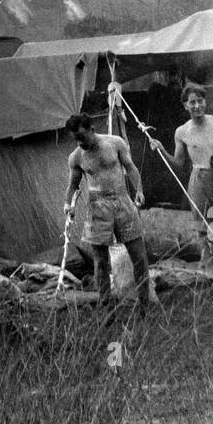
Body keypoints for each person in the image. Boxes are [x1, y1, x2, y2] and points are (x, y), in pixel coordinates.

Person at [149, 84, 213, 274]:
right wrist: (162, 150)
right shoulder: (182, 132)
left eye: (200, 101)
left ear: (205, 102)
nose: (197, 106)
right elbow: (179, 163)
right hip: (199, 180)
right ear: (185, 106)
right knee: (205, 230)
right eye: (192, 102)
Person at [64, 112, 152, 310]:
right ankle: (106, 307)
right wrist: (68, 205)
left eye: (82, 137)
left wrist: (138, 189)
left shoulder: (115, 143)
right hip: (97, 207)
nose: (79, 143)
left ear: (92, 130)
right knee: (101, 261)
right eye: (75, 139)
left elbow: (130, 167)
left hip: (122, 202)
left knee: (138, 256)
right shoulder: (76, 157)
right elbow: (72, 186)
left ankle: (145, 304)